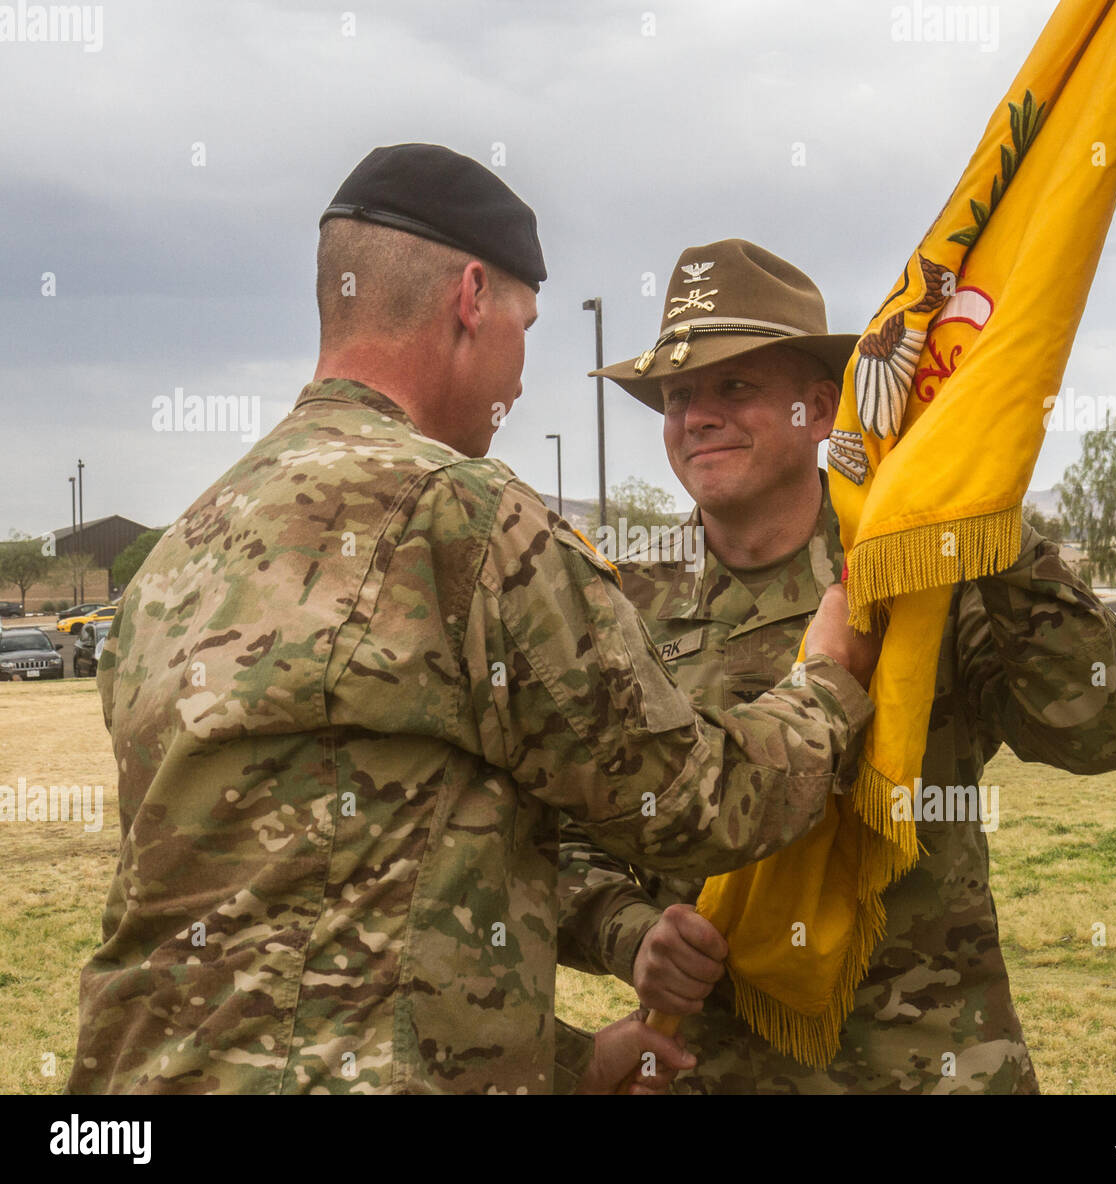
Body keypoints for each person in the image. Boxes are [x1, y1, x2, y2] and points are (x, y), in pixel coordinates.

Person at [68, 149, 880, 1095]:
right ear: (471, 297)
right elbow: (694, 802)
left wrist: (576, 1064)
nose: (525, 379)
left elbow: (279, 934)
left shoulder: (181, 551)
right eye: (526, 329)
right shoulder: (464, 517)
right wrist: (826, 680)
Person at [557, 239, 1116, 1093]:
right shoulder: (623, 602)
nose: (698, 416)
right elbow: (561, 827)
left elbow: (1104, 730)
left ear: (818, 408)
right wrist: (629, 932)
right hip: (710, 1070)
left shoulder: (920, 579)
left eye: (735, 386)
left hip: (930, 1063)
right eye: (678, 396)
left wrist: (990, 521)